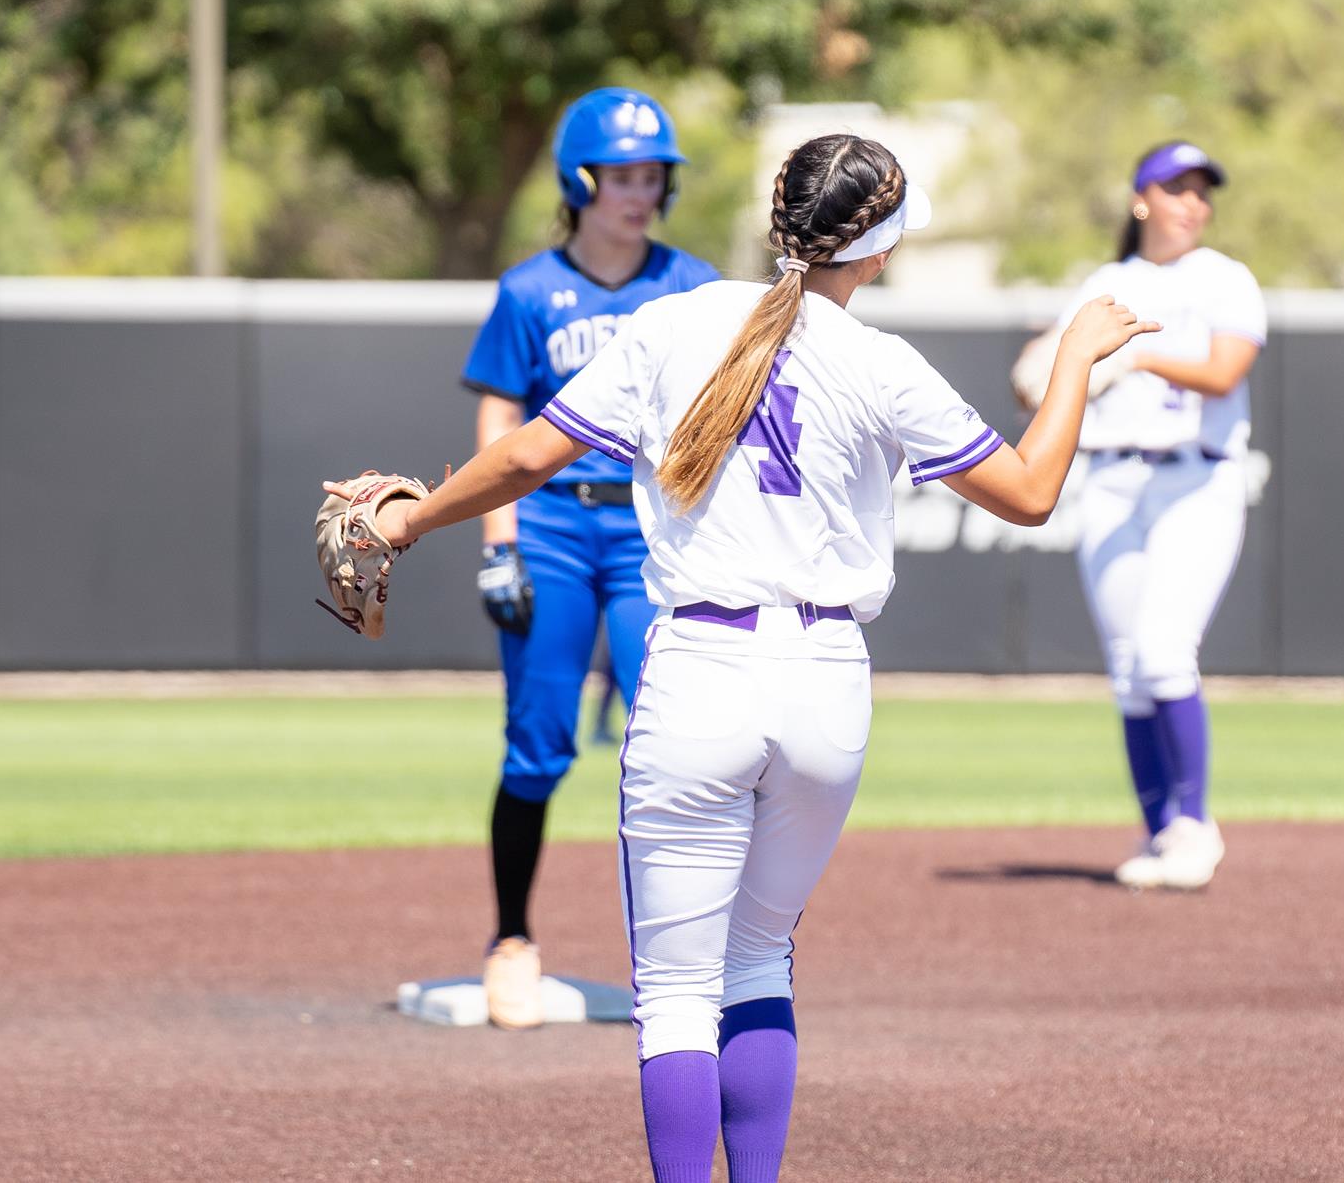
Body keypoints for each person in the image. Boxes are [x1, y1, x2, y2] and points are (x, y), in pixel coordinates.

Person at [331, 133, 1154, 1183]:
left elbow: (532, 452)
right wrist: (1079, 352)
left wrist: (410, 522)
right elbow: (1035, 491)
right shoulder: (881, 363)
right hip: (823, 683)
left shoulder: (672, 322)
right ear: (886, 247)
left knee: (675, 992)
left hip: (698, 675)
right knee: (757, 960)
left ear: (777, 219)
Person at [459, 87, 721, 1028]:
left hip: (653, 528)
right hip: (553, 525)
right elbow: (498, 406)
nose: (638, 191)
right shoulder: (530, 289)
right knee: (539, 740)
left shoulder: (692, 283)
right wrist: (497, 541)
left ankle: (678, 952)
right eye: (621, 174)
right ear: (581, 180)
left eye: (652, 175)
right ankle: (512, 938)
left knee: (672, 740)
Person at [1013, 140, 1264, 891]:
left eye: (1201, 190)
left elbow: (1224, 372)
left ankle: (1193, 823)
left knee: (1162, 648)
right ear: (1141, 199)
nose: (1193, 202)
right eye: (1176, 187)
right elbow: (1042, 377)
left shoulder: (1223, 277)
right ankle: (1160, 832)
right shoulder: (1108, 283)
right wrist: (1050, 362)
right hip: (1113, 476)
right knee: (1128, 669)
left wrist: (1138, 357)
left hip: (1196, 480)